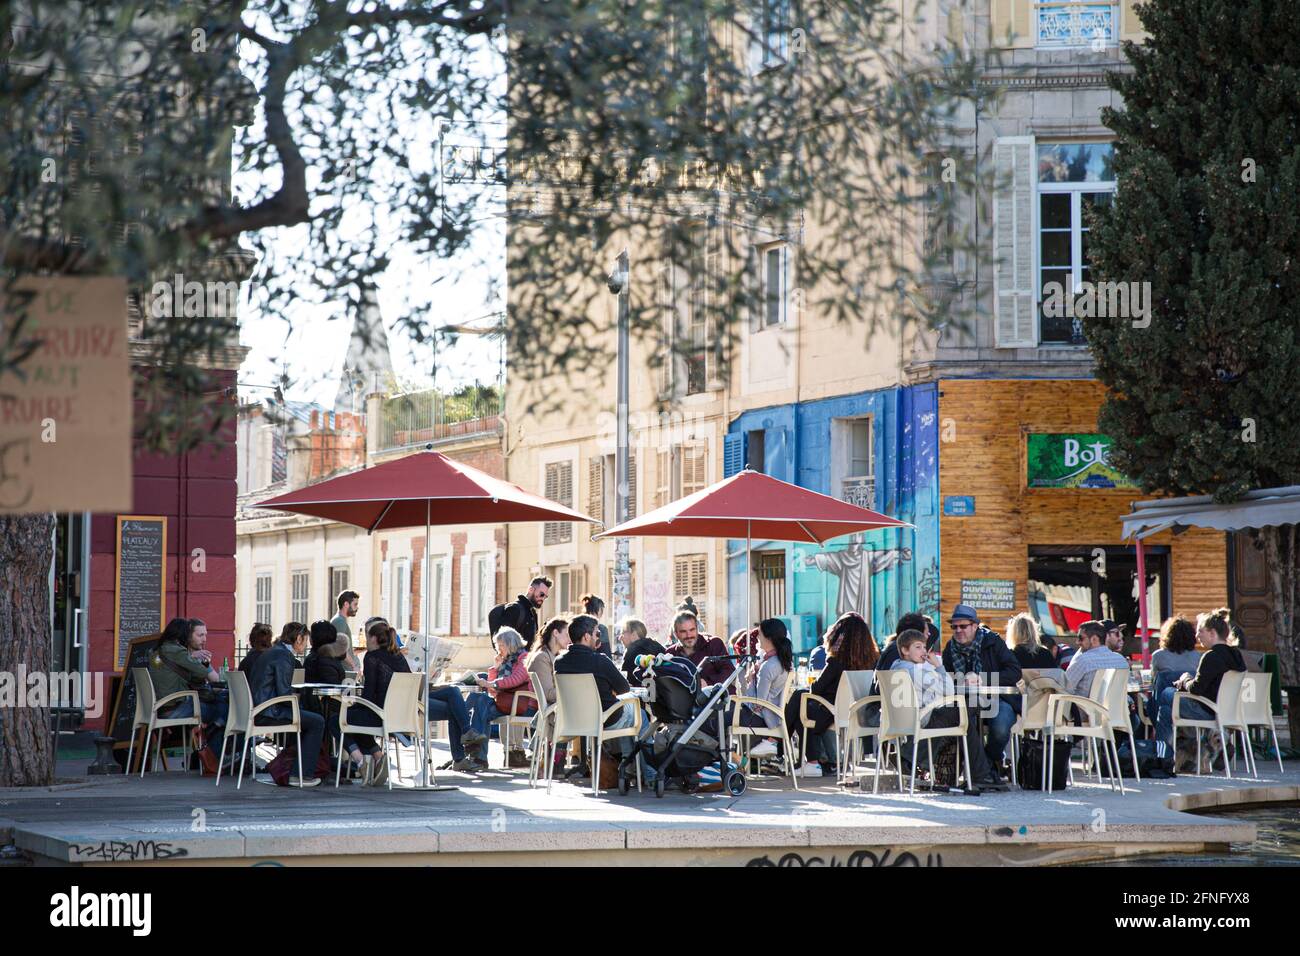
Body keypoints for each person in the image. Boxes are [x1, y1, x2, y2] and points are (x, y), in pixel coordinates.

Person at [890, 629, 1003, 791]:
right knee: (972, 704)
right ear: (905, 650)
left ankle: (981, 774)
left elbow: (943, 692)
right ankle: (981, 773)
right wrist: (938, 666)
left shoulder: (899, 667)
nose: (923, 651)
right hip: (924, 719)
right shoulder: (915, 670)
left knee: (965, 719)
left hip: (914, 719)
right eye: (918, 647)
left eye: (924, 647)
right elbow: (949, 691)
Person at [555, 614, 656, 783]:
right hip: (604, 720)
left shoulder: (559, 661)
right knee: (638, 712)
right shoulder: (600, 661)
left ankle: (628, 766)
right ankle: (650, 774)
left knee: (626, 710)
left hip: (573, 721)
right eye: (597, 633)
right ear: (586, 636)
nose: (598, 637)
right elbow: (623, 688)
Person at [785, 612, 878, 778]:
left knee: (801, 703)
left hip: (833, 710)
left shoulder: (836, 661)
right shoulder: (873, 660)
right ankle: (814, 760)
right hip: (860, 711)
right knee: (802, 699)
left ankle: (788, 748)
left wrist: (830, 657)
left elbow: (816, 689)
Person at [942, 604, 1022, 779]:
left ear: (975, 626)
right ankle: (982, 771)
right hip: (965, 700)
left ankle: (988, 762)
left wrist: (983, 678)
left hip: (998, 697)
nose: (958, 630)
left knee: (1001, 728)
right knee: (960, 724)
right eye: (954, 627)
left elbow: (1015, 671)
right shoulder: (950, 648)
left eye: (963, 626)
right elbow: (946, 678)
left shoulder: (993, 642)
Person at [1155, 608, 1246, 750]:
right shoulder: (1237, 656)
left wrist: (1185, 679)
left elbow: (1196, 689)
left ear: (1212, 633)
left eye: (1200, 631)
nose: (1197, 635)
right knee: (1166, 711)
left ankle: (1163, 755)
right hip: (1228, 711)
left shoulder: (1211, 656)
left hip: (1206, 709)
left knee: (1166, 693)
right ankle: (1187, 751)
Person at [250, 621, 325, 787]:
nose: (306, 645)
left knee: (307, 718)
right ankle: (301, 774)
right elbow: (284, 693)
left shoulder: (273, 651)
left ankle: (295, 770)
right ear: (298, 638)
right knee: (317, 721)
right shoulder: (284, 656)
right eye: (305, 640)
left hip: (260, 710)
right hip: (269, 712)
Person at [148, 617, 227, 772]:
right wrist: (196, 659)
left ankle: (208, 745)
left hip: (160, 708)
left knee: (218, 708)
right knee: (223, 709)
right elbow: (207, 674)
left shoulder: (155, 651)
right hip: (175, 708)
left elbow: (188, 675)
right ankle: (214, 757)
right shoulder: (176, 651)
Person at [338, 621, 411, 782]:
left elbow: (369, 695)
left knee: (337, 719)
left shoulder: (372, 658)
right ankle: (378, 757)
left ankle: (362, 761)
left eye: (367, 637)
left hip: (380, 715)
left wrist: (354, 702)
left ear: (374, 639)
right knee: (354, 719)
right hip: (402, 717)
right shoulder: (398, 656)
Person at [465, 627, 535, 768]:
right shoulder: (505, 661)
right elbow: (492, 691)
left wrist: (490, 683)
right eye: (497, 646)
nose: (499, 649)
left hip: (523, 705)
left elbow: (515, 680)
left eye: (501, 645)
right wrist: (495, 668)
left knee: (482, 705)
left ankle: (477, 754)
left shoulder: (524, 658)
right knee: (481, 701)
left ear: (511, 643)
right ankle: (477, 749)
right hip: (506, 703)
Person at [737, 619, 794, 759]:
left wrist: (741, 700)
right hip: (772, 717)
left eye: (760, 634)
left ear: (769, 638)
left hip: (760, 718)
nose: (757, 638)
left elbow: (759, 703)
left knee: (718, 721)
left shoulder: (768, 666)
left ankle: (729, 764)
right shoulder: (781, 661)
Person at [1148, 616, 1200, 731]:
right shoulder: (1198, 657)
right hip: (1190, 706)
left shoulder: (1158, 656)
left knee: (1149, 703)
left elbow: (1153, 682)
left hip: (1165, 707)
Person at [665, 610, 733, 686]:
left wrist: (708, 683)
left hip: (719, 696)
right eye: (683, 631)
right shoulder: (670, 653)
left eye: (692, 630)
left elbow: (729, 671)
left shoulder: (714, 644)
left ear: (697, 629)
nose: (689, 635)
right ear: (675, 634)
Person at [1063, 620, 1129, 697]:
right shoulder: (1121, 660)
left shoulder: (1083, 660)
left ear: (1094, 639)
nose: (1077, 642)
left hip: (1087, 708)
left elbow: (1064, 688)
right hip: (1116, 708)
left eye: (1081, 638)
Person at [489, 576, 550, 648]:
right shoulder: (514, 609)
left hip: (526, 658)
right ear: (531, 590)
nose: (542, 598)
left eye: (545, 597)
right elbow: (503, 640)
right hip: (514, 658)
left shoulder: (532, 613)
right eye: (541, 594)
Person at [618, 617, 665, 686]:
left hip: (640, 694)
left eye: (623, 633)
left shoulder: (631, 650)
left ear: (634, 634)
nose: (620, 638)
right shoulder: (659, 647)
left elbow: (624, 681)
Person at [329, 590, 362, 670]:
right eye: (355, 604)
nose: (357, 608)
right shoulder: (339, 621)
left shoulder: (340, 620)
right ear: (346, 604)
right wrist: (353, 665)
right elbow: (340, 649)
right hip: (344, 672)